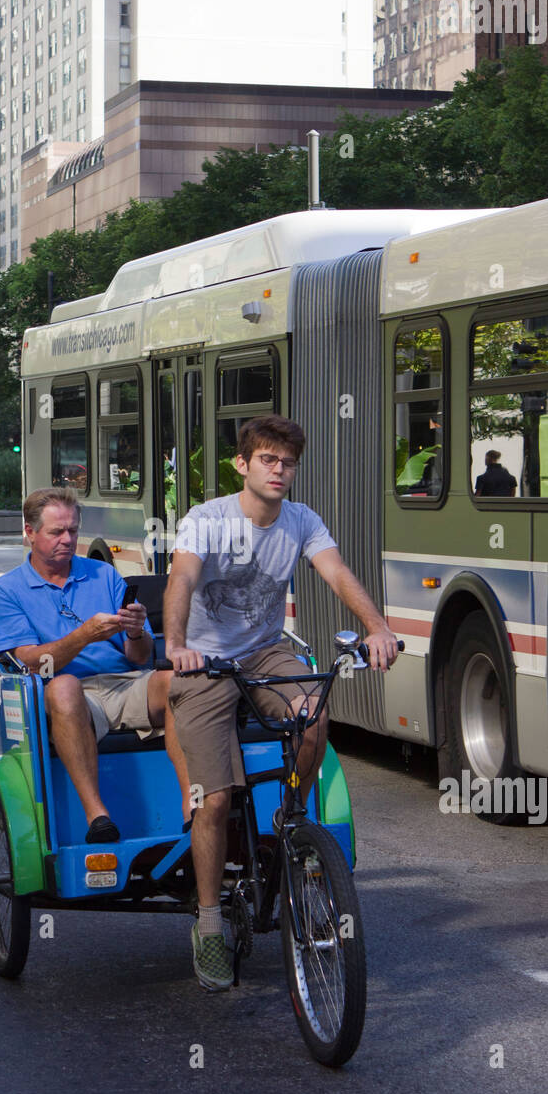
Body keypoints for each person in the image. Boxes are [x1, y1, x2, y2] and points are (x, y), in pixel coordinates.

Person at [164, 414, 399, 992]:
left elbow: (336, 573)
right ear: (242, 465)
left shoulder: (301, 520)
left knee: (313, 717)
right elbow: (183, 582)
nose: (279, 470)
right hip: (205, 660)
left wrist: (377, 627)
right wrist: (175, 645)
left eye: (287, 462)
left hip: (266, 653)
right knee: (215, 798)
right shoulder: (206, 521)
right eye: (267, 460)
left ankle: (289, 820)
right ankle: (211, 923)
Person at [0, 486, 192, 842]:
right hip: (66, 695)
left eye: (73, 531)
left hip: (124, 682)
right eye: (56, 532)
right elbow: (32, 665)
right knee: (64, 686)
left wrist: (137, 630)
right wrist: (83, 635)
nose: (67, 539)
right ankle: (98, 816)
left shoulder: (103, 574)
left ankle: (193, 808)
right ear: (30, 532)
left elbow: (138, 657)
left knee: (180, 680)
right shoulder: (5, 592)